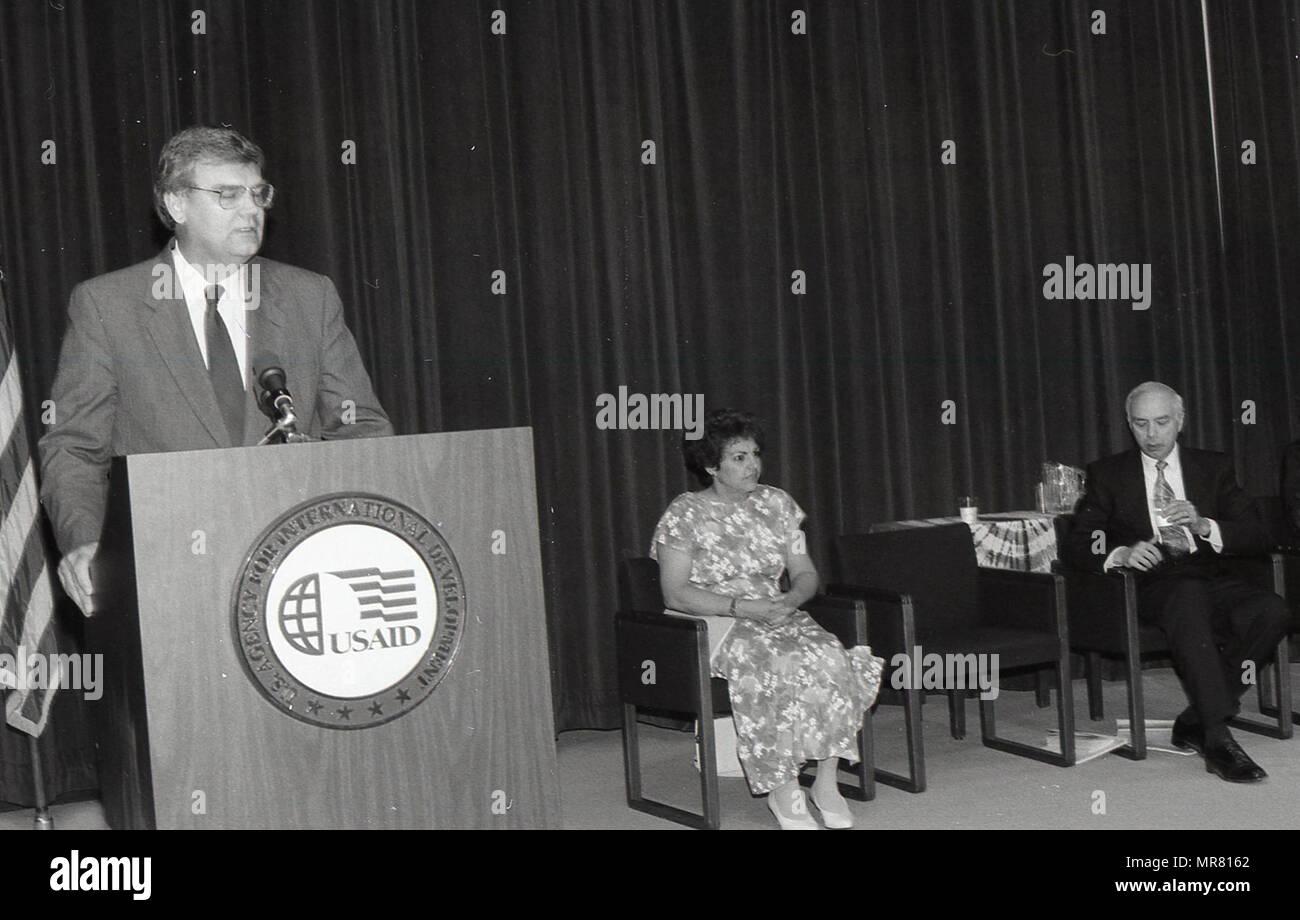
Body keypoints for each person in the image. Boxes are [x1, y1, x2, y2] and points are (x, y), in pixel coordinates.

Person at [39, 125, 393, 616]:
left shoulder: (309, 297)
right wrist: (84, 540)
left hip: (300, 567)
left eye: (258, 193)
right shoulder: (107, 305)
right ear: (176, 204)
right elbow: (75, 446)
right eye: (228, 195)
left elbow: (362, 428)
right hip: (165, 571)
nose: (251, 210)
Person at [650, 409, 883, 828]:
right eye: (739, 457)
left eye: (755, 454)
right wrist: (741, 608)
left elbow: (805, 572)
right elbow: (676, 592)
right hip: (712, 620)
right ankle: (782, 787)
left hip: (775, 611)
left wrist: (791, 599)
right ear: (711, 466)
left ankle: (825, 782)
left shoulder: (778, 504)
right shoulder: (684, 513)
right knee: (774, 664)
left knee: (830, 655)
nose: (752, 465)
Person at [1065, 381, 1288, 782]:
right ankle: (1217, 737)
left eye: (1162, 422)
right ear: (1129, 424)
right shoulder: (1109, 474)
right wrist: (1121, 553)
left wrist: (1205, 525)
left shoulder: (1213, 467)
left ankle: (1196, 718)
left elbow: (1260, 533)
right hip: (1149, 585)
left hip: (1208, 576)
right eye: (1141, 424)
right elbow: (1080, 543)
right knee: (1186, 597)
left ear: (1181, 421)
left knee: (1272, 610)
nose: (1151, 434)